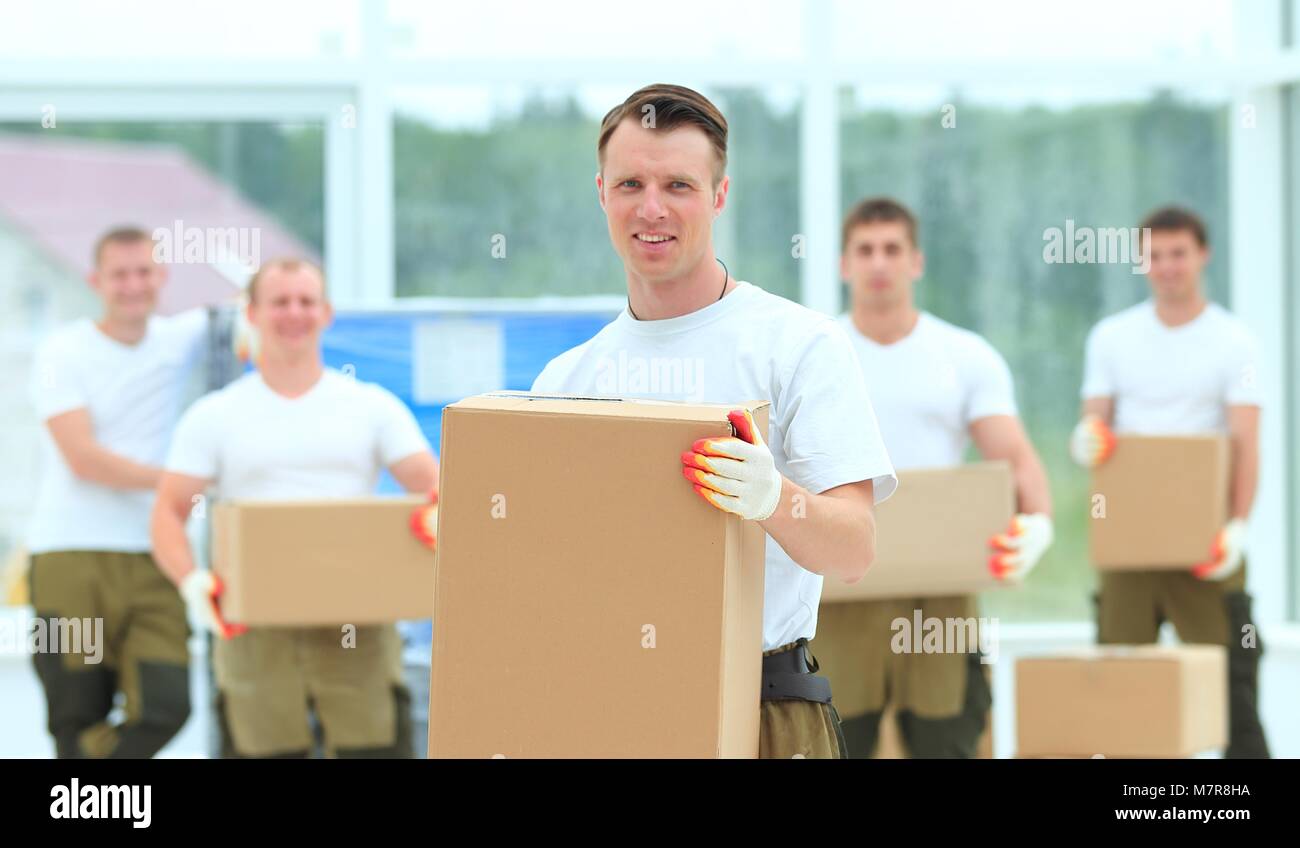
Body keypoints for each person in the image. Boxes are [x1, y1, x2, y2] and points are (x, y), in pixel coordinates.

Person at [530, 84, 897, 758]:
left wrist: (774, 499)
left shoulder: (797, 345)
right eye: (630, 183)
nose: (651, 208)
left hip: (762, 710)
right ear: (601, 193)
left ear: (720, 196)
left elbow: (855, 551)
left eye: (679, 185)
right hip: (609, 708)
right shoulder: (565, 382)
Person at [150, 258, 440, 758]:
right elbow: (167, 512)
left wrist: (437, 516)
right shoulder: (216, 415)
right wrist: (190, 582)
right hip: (255, 629)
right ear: (254, 313)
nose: (294, 313)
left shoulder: (371, 407)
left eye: (306, 301)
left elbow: (439, 488)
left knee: (374, 749)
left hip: (358, 626)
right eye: (280, 302)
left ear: (326, 313)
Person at [812, 197, 1053, 758]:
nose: (879, 263)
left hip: (940, 590)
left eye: (892, 249)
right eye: (864, 250)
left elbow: (1014, 455)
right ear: (844, 264)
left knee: (946, 741)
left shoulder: (964, 354)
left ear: (916, 262)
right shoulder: (814, 355)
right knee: (837, 741)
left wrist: (1039, 522)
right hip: (843, 582)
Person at [1070, 206, 1269, 758]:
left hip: (1206, 540)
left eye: (1178, 253)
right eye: (1155, 256)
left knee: (1232, 684)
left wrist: (1238, 526)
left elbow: (1246, 443)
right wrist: (1085, 438)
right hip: (1129, 540)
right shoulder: (1112, 337)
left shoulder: (1234, 341)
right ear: (1142, 262)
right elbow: (1095, 423)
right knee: (1122, 680)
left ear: (1202, 255)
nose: (1168, 266)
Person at [26, 226, 214, 757]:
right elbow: (83, 460)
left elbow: (265, 302)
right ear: (96, 281)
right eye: (119, 274)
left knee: (166, 705)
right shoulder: (62, 350)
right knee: (75, 713)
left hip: (154, 557)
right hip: (69, 558)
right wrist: (180, 481)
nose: (133, 285)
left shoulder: (179, 339)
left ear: (162, 277)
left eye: (144, 272)